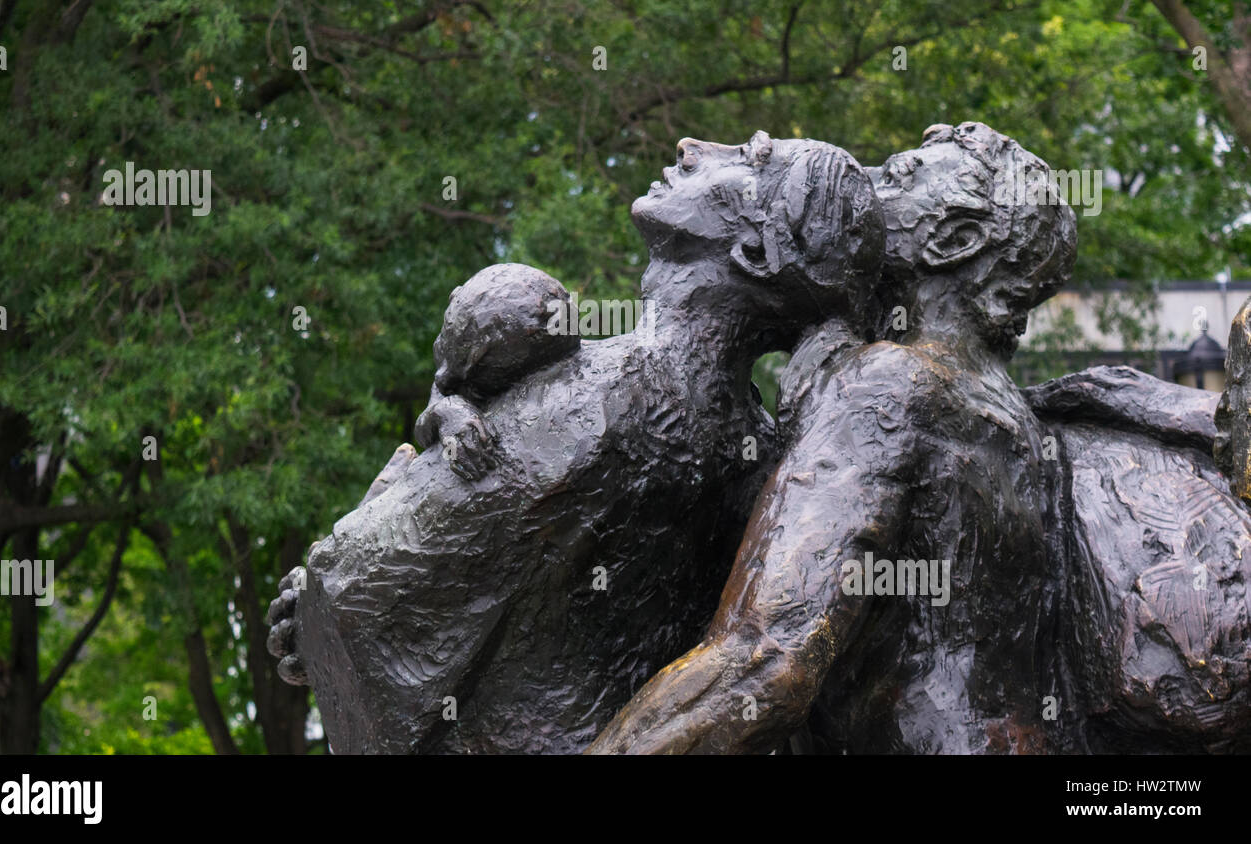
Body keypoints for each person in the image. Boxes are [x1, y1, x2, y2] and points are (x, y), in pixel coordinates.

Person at [267, 131, 884, 753]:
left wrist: (320, 596)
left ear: (754, 248)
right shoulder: (760, 451)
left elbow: (352, 596)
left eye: (749, 160)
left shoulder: (604, 400)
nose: (692, 147)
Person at [588, 122, 1079, 754]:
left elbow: (763, 662)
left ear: (954, 240)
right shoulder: (1005, 413)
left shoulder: (893, 386)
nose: (861, 182)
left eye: (895, 177)